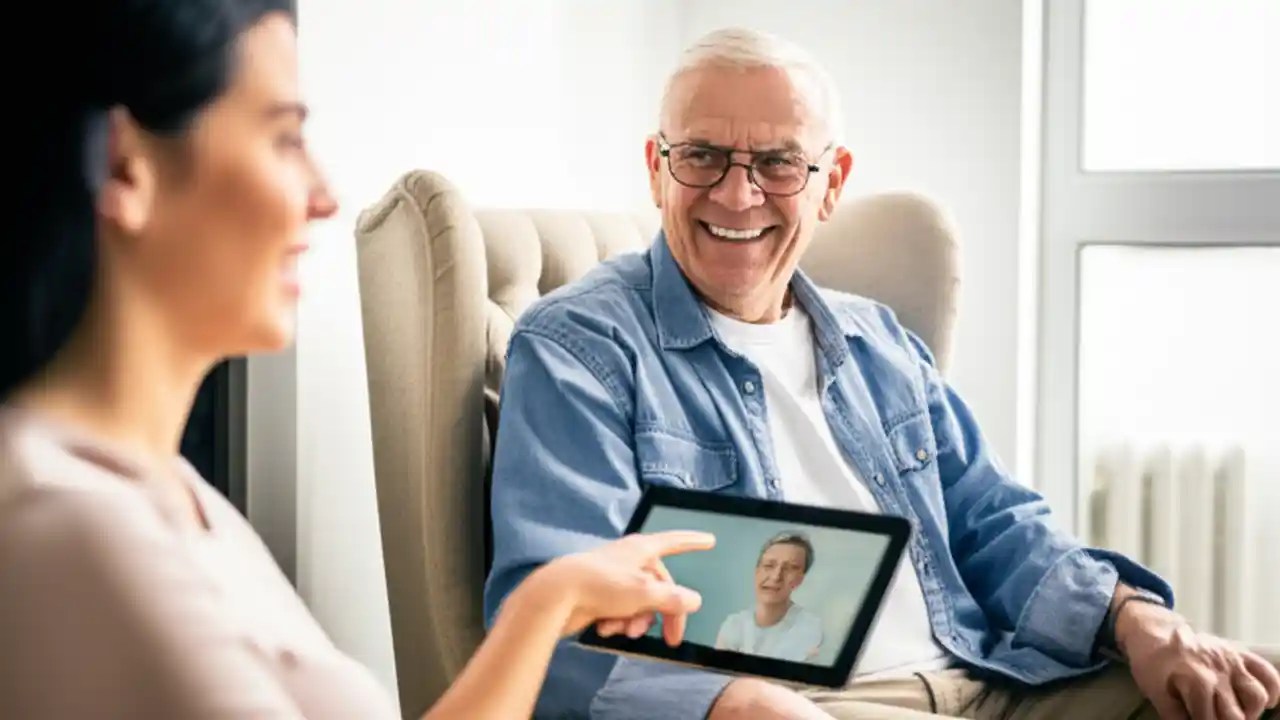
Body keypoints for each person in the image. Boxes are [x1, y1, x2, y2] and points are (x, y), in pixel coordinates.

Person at [483, 25, 1280, 720]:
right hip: (812, 706)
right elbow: (548, 621)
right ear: (658, 168)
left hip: (998, 678)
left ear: (831, 183)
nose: (737, 192)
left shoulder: (879, 340)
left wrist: (1135, 619)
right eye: (703, 156)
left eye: (779, 163)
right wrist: (733, 704)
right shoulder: (577, 348)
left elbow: (994, 525)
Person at [0, 2, 714, 718]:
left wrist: (547, 603)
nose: (325, 195)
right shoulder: (71, 526)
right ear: (126, 168)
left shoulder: (175, 496)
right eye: (285, 138)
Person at [716, 532, 824, 663]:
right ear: (756, 572)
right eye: (769, 565)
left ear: (800, 579)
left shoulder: (809, 627)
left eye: (789, 568)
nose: (776, 576)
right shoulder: (734, 624)